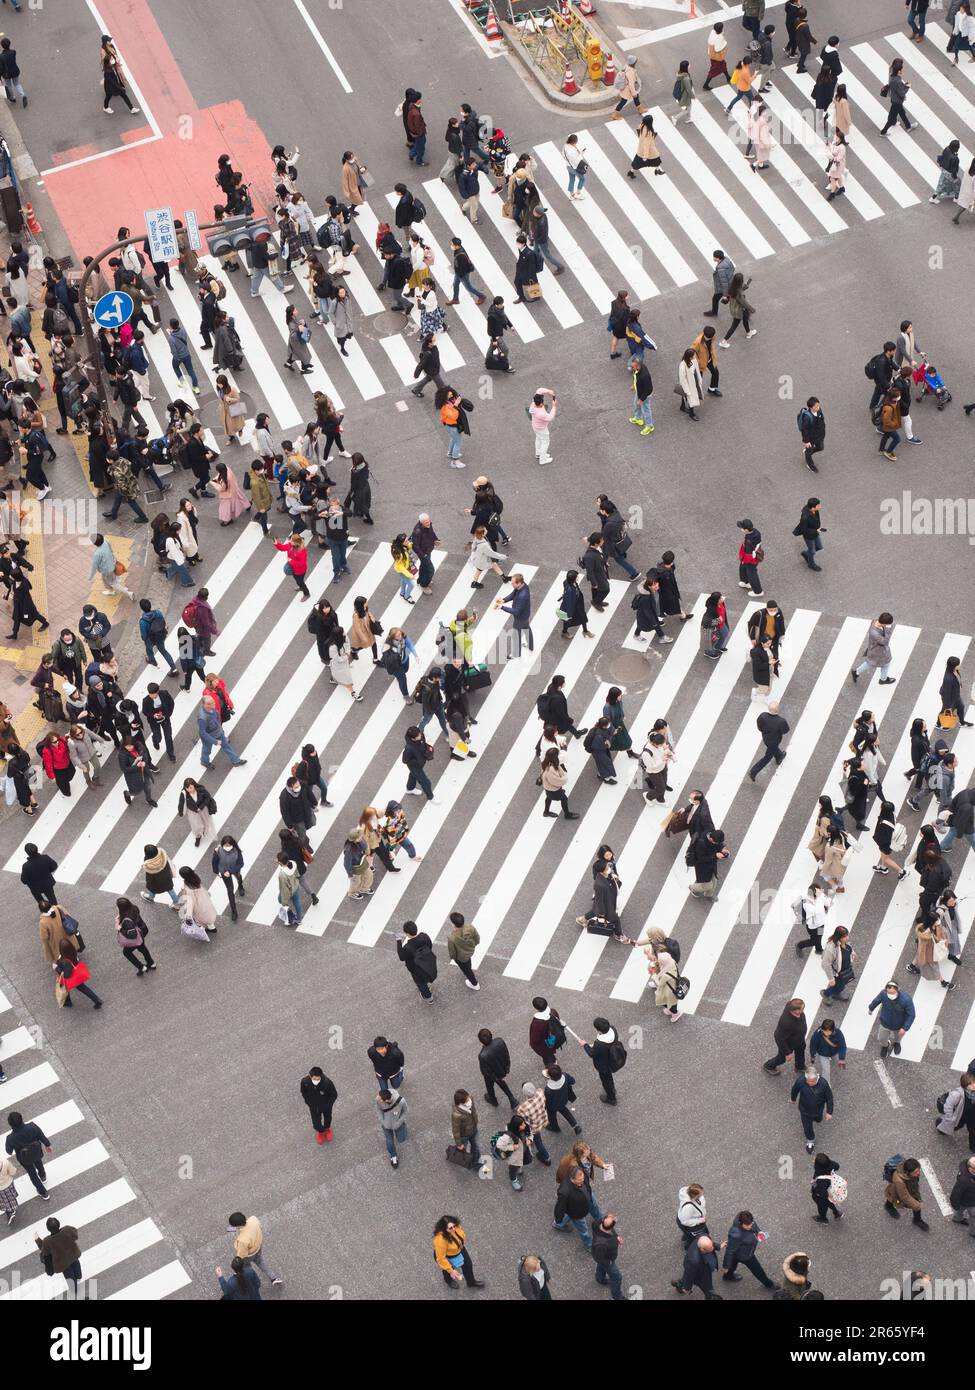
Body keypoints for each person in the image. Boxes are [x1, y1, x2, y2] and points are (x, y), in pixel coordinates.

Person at [721, 1212, 776, 1289]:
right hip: (745, 1255)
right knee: (757, 1270)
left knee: (732, 1265)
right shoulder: (736, 1234)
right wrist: (725, 1267)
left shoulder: (748, 1220)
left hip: (742, 1251)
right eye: (747, 1225)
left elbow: (754, 1225)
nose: (750, 1226)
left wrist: (758, 1231)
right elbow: (730, 1251)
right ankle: (769, 1284)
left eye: (751, 1223)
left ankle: (727, 1276)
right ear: (741, 1223)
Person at [5, 1110, 53, 1197]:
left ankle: (43, 1193)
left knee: (32, 1174)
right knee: (39, 1162)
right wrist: (47, 1145)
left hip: (24, 1158)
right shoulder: (32, 1126)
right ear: (21, 1119)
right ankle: (43, 1176)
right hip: (36, 1151)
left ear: (10, 1124)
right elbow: (41, 1136)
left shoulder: (10, 1138)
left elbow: (9, 1152)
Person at [228, 1211, 283, 1286]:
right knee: (261, 1262)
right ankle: (273, 1278)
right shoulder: (253, 1219)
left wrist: (237, 1262)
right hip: (258, 1247)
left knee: (246, 1267)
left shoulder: (242, 1240)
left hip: (249, 1255)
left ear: (237, 1225)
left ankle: (250, 1279)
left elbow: (242, 1254)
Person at [579, 1017, 624, 1106]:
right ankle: (612, 1089)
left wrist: (585, 1045)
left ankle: (611, 1098)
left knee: (606, 1081)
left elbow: (592, 1053)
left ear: (599, 1030)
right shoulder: (613, 1030)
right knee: (609, 1078)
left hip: (604, 1065)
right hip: (611, 1059)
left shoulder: (600, 1044)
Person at [791, 1066, 834, 1154]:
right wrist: (793, 1098)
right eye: (809, 1081)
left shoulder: (824, 1084)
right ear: (806, 1077)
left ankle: (817, 1118)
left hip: (818, 1109)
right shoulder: (800, 1081)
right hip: (804, 1110)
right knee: (807, 1127)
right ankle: (810, 1140)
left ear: (817, 1077)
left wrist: (829, 1112)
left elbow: (829, 1098)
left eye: (813, 1081)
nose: (810, 1083)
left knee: (818, 1119)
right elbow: (795, 1089)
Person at [433, 1215, 484, 1289]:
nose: (453, 1229)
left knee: (468, 1265)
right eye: (450, 1228)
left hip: (459, 1249)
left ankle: (471, 1282)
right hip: (447, 1256)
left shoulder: (456, 1227)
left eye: (454, 1226)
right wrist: (451, 1271)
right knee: (447, 1270)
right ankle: (448, 1280)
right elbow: (441, 1258)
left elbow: (461, 1235)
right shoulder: (440, 1240)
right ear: (444, 1229)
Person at [35, 1217, 84, 1294]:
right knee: (77, 1268)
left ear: (48, 1229)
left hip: (62, 1263)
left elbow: (44, 1251)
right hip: (73, 1255)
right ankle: (78, 1277)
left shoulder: (47, 1241)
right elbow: (75, 1236)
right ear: (59, 1224)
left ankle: (75, 1291)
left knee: (69, 1277)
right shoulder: (67, 1230)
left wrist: (37, 1240)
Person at [867, 981, 916, 1058]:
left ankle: (897, 1043)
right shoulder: (883, 994)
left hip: (899, 1024)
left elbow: (911, 1014)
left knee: (898, 1036)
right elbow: (876, 1000)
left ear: (898, 990)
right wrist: (871, 1008)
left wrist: (904, 1028)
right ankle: (885, 1046)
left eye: (892, 993)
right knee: (881, 1038)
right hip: (885, 1022)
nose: (890, 995)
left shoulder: (906, 999)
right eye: (889, 993)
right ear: (886, 990)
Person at [198, 693, 246, 768]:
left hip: (218, 733)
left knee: (226, 746)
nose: (214, 704)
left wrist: (221, 730)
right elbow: (203, 732)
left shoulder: (212, 709)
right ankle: (204, 762)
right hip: (209, 736)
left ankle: (236, 761)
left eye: (213, 702)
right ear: (205, 705)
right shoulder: (202, 718)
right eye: (210, 703)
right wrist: (214, 741)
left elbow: (217, 721)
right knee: (207, 750)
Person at [764, 998, 808, 1074]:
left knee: (800, 1051)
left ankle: (800, 1066)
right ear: (796, 1011)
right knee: (782, 1058)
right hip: (789, 1044)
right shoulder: (786, 1023)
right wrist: (787, 1053)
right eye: (802, 1008)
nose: (804, 1009)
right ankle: (769, 1066)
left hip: (798, 1039)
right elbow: (779, 1038)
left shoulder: (790, 1005)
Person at [553, 1165, 593, 1248]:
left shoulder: (582, 1175)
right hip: (577, 1214)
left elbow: (587, 1186)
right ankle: (588, 1245)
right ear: (572, 1179)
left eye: (583, 1178)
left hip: (576, 1208)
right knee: (584, 1230)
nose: (582, 1181)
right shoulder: (565, 1191)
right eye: (579, 1180)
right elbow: (560, 1207)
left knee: (568, 1214)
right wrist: (558, 1217)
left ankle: (558, 1224)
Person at [396, 919, 437, 1001]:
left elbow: (401, 957)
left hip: (416, 968)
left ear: (407, 933)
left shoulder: (408, 947)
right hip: (427, 961)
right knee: (427, 973)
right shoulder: (424, 936)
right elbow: (430, 945)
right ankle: (428, 983)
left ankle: (428, 997)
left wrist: (398, 941)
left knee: (420, 983)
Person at [885, 1158, 929, 1230]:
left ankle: (917, 1220)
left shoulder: (909, 1171)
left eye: (918, 1170)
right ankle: (917, 1220)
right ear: (907, 1172)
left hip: (907, 1188)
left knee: (893, 1196)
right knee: (895, 1197)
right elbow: (904, 1197)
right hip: (898, 1191)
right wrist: (916, 1205)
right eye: (915, 1172)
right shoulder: (899, 1182)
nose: (918, 1173)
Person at [495, 573, 533, 656]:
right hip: (525, 615)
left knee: (516, 635)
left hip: (520, 617)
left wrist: (502, 607)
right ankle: (530, 646)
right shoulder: (523, 586)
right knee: (527, 628)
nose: (511, 584)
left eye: (513, 583)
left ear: (519, 583)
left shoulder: (523, 596)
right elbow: (513, 594)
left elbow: (516, 611)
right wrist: (504, 600)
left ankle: (516, 654)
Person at [672, 1235, 721, 1299]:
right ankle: (710, 1296)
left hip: (702, 1267)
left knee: (687, 1278)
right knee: (707, 1287)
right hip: (701, 1274)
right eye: (710, 1248)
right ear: (702, 1249)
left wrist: (718, 1246)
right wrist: (687, 1288)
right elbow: (689, 1274)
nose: (712, 1248)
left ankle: (679, 1285)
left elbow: (710, 1243)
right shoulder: (694, 1261)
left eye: (711, 1246)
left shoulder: (703, 1238)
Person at [477, 1028, 516, 1108]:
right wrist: (507, 1067)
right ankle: (511, 1098)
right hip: (503, 1068)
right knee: (500, 1083)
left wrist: (496, 1078)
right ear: (491, 1035)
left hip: (493, 1074)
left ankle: (493, 1100)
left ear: (481, 1041)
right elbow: (506, 1054)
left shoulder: (482, 1055)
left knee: (489, 1085)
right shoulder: (499, 1041)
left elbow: (486, 1072)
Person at [879, 57, 918, 136]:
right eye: (901, 69)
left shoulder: (891, 73)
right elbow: (902, 93)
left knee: (902, 112)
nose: (902, 70)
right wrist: (908, 86)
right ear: (899, 71)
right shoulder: (897, 81)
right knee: (891, 117)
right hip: (897, 100)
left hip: (893, 97)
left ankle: (908, 126)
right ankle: (883, 132)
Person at [300, 1066, 337, 1145]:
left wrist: (328, 1105)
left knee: (328, 1118)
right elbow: (304, 1093)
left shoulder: (327, 1083)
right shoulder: (305, 1082)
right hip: (314, 1108)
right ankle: (320, 1132)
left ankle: (327, 1129)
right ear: (310, 1076)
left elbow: (334, 1094)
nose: (316, 1081)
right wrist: (309, 1103)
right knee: (316, 1123)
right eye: (314, 1079)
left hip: (326, 1106)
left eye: (318, 1079)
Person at [446, 912, 480, 991]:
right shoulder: (470, 927)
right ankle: (469, 969)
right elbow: (477, 937)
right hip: (470, 951)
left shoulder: (452, 938)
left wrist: (454, 958)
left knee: (467, 970)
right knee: (468, 964)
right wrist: (474, 944)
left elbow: (452, 952)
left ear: (453, 924)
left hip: (461, 957)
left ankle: (474, 984)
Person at [528, 387, 557, 466]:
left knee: (538, 438)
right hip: (541, 429)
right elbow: (550, 417)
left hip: (535, 426)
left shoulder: (534, 403)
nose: (543, 403)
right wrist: (554, 406)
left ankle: (538, 454)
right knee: (545, 442)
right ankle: (543, 459)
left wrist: (549, 391)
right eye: (542, 403)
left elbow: (539, 390)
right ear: (540, 404)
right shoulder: (540, 413)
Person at [949, 1156, 975, 1237]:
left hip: (965, 1199)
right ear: (970, 1168)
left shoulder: (967, 1170)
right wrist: (955, 1205)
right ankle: (973, 1232)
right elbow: (955, 1194)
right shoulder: (964, 1180)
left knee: (960, 1209)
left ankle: (957, 1219)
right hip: (970, 1201)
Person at [704, 22, 730, 89]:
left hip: (711, 53)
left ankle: (728, 77)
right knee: (713, 70)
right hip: (716, 56)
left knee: (723, 65)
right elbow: (717, 49)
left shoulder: (712, 32)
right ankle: (706, 85)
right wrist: (724, 44)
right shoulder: (720, 37)